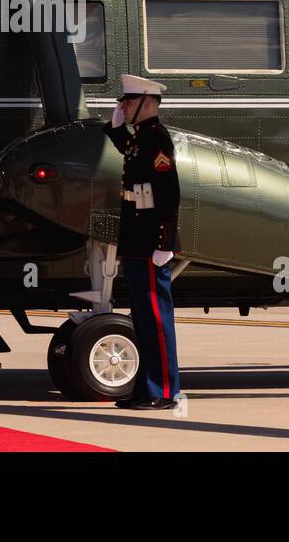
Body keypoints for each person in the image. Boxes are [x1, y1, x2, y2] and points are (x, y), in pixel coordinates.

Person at [102, 74, 182, 410]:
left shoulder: (158, 139)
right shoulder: (141, 139)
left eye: (129, 102)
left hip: (151, 241)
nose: (124, 105)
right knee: (143, 318)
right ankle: (146, 387)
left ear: (147, 103)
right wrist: (116, 128)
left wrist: (164, 242)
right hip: (136, 240)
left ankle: (163, 390)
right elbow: (129, 152)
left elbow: (168, 194)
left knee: (155, 317)